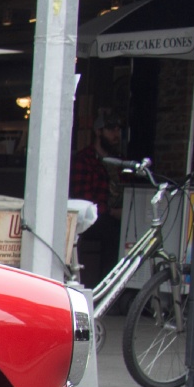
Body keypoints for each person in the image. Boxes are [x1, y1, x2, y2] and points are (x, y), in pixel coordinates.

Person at [69, 108, 125, 284]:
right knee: (114, 234)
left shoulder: (119, 160)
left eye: (118, 129)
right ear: (98, 132)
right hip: (92, 218)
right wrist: (110, 211)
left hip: (117, 215)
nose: (116, 134)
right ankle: (107, 286)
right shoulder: (84, 159)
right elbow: (82, 198)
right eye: (111, 129)